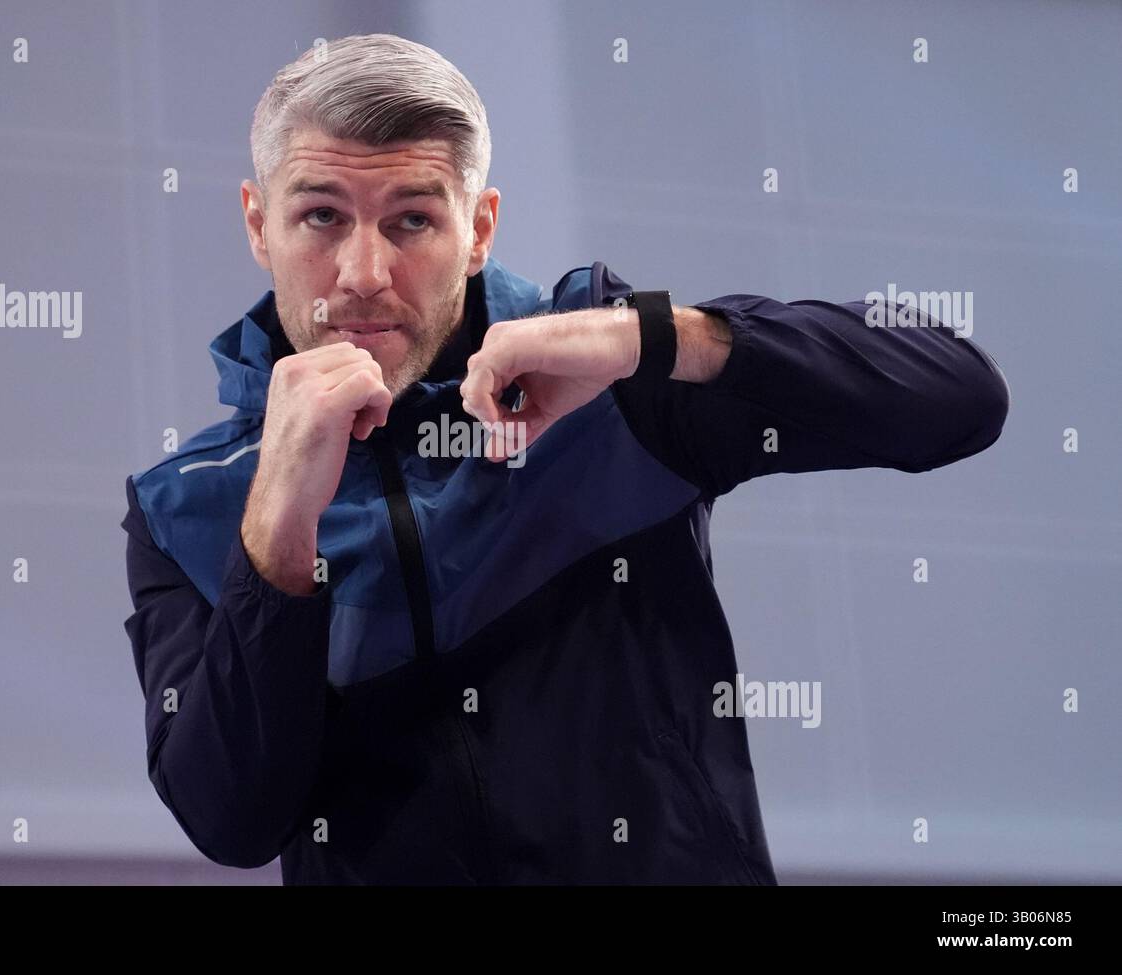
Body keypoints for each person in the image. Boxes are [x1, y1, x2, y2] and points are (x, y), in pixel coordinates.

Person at [120, 32, 1009, 884]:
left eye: (413, 220)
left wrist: (656, 336)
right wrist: (278, 521)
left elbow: (959, 396)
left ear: (479, 228)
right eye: (320, 214)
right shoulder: (184, 504)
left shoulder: (604, 378)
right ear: (257, 223)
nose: (362, 272)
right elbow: (231, 820)